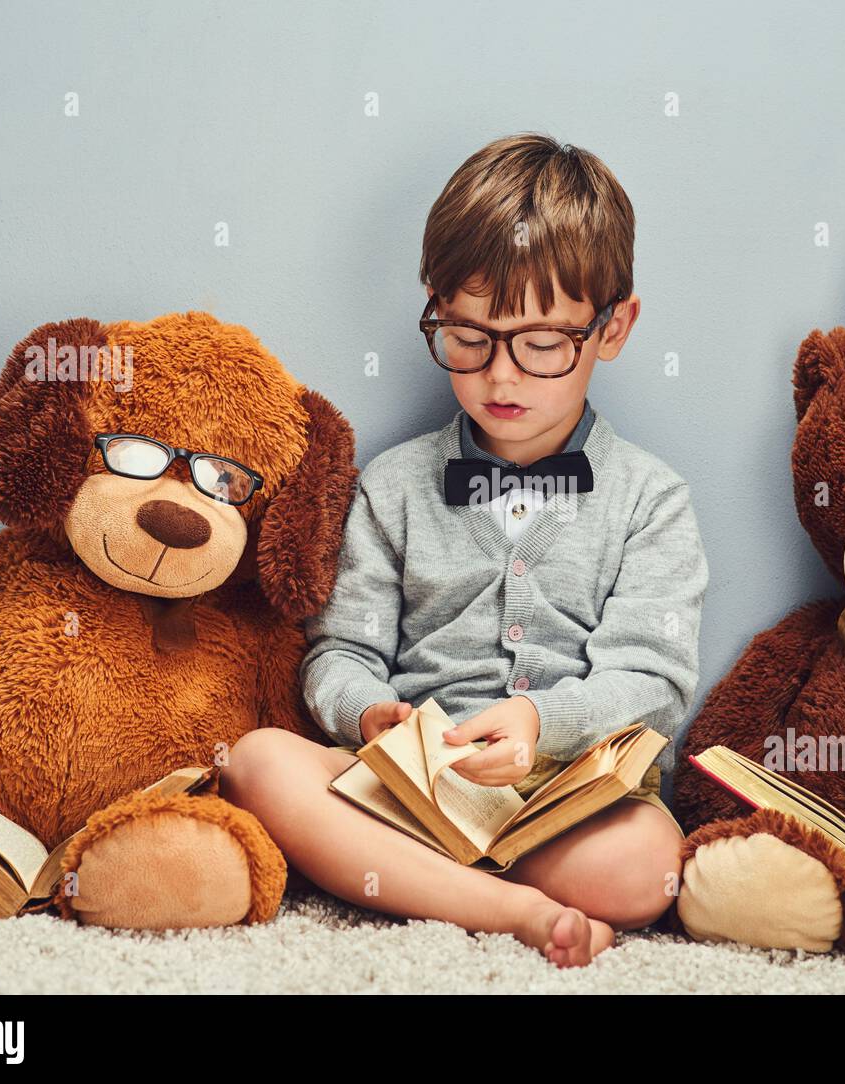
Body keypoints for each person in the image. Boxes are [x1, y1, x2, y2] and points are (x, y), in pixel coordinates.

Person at [221, 132, 709, 967]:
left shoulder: (651, 498)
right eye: (469, 337)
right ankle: (507, 911)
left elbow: (653, 685)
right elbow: (337, 653)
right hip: (410, 791)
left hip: (563, 803)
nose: (502, 377)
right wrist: (366, 710)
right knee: (258, 763)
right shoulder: (394, 484)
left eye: (543, 343)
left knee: (649, 870)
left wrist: (538, 723)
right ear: (436, 308)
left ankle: (442, 886)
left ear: (615, 326)